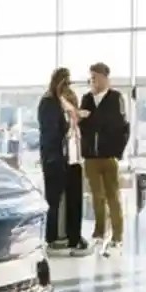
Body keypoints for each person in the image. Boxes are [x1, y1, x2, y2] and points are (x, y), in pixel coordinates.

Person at [78, 62, 130, 257]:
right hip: (91, 156)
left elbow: (118, 125)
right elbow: (84, 125)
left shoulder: (116, 98)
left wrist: (117, 152)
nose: (93, 81)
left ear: (105, 78)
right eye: (91, 78)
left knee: (113, 197)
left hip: (109, 156)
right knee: (96, 197)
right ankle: (99, 232)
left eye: (96, 77)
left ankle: (117, 235)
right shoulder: (86, 98)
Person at [38, 68, 87, 253]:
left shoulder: (63, 102)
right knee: (54, 199)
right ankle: (53, 238)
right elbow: (51, 132)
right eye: (65, 82)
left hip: (73, 158)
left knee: (74, 199)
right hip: (56, 158)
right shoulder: (49, 103)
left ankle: (74, 237)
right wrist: (70, 122)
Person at [57, 86, 89, 255]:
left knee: (75, 204)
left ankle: (75, 237)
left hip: (76, 164)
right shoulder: (65, 121)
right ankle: (70, 237)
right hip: (66, 164)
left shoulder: (76, 123)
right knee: (68, 204)